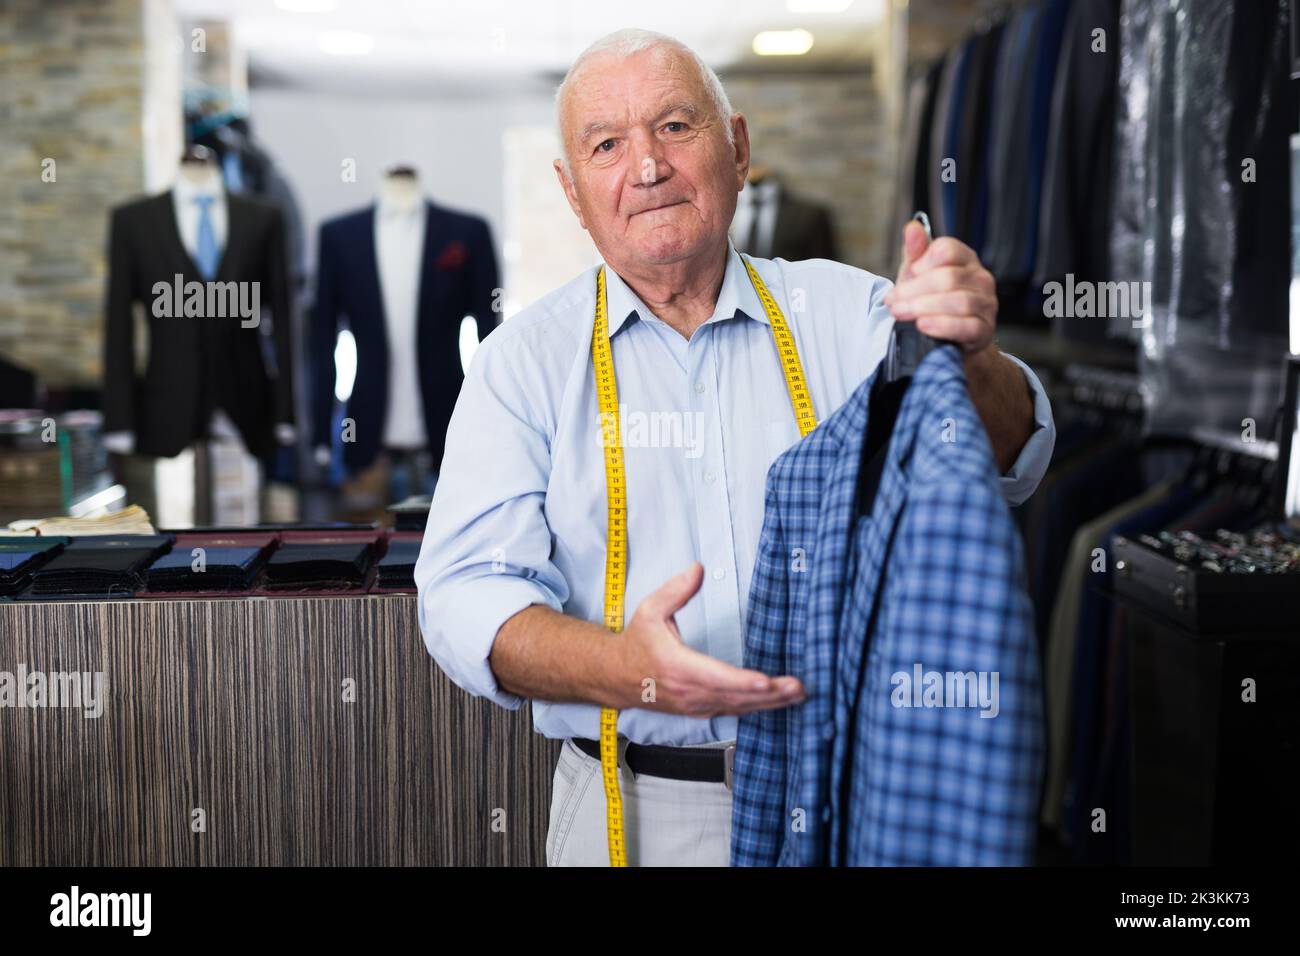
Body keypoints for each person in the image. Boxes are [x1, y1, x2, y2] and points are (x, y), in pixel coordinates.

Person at [415, 28, 1056, 866]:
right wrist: (625, 670)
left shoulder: (853, 314)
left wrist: (968, 355)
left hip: (838, 794)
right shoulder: (522, 365)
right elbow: (465, 598)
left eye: (676, 126)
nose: (646, 166)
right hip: (639, 809)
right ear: (574, 194)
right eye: (607, 145)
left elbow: (1009, 455)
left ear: (738, 147)